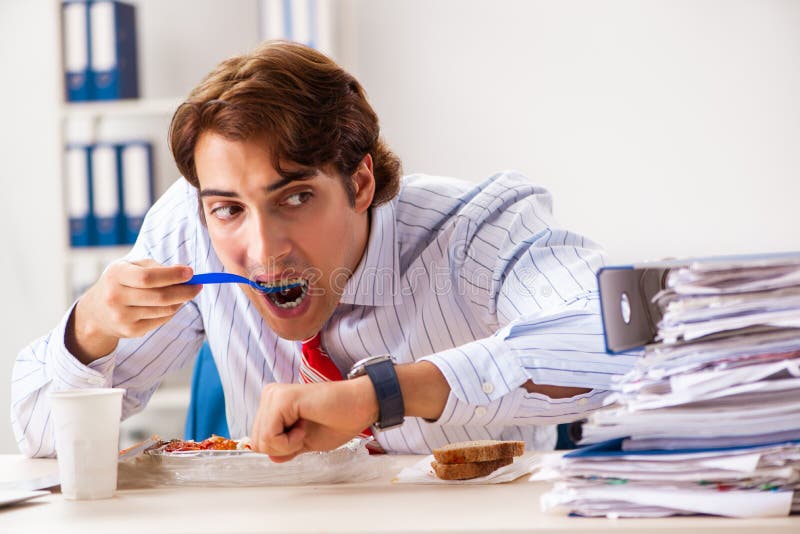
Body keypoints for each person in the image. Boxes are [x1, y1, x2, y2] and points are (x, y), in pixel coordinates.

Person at [12, 41, 638, 460]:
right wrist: (90, 325)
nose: (262, 250)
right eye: (229, 208)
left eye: (294, 198)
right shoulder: (189, 227)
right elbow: (40, 439)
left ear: (360, 182)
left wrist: (381, 395)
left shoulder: (478, 228)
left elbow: (620, 344)